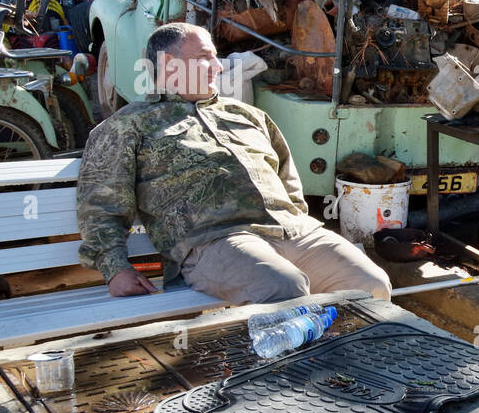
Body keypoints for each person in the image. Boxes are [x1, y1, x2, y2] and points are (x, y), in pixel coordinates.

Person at [77, 22, 392, 304]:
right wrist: (115, 268)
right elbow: (100, 206)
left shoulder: (247, 115)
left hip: (293, 231)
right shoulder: (127, 127)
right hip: (214, 243)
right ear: (169, 64)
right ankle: (287, 368)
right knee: (285, 289)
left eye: (215, 56)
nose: (217, 65)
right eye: (204, 58)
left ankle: (348, 363)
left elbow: (288, 182)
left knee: (372, 285)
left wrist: (295, 221)